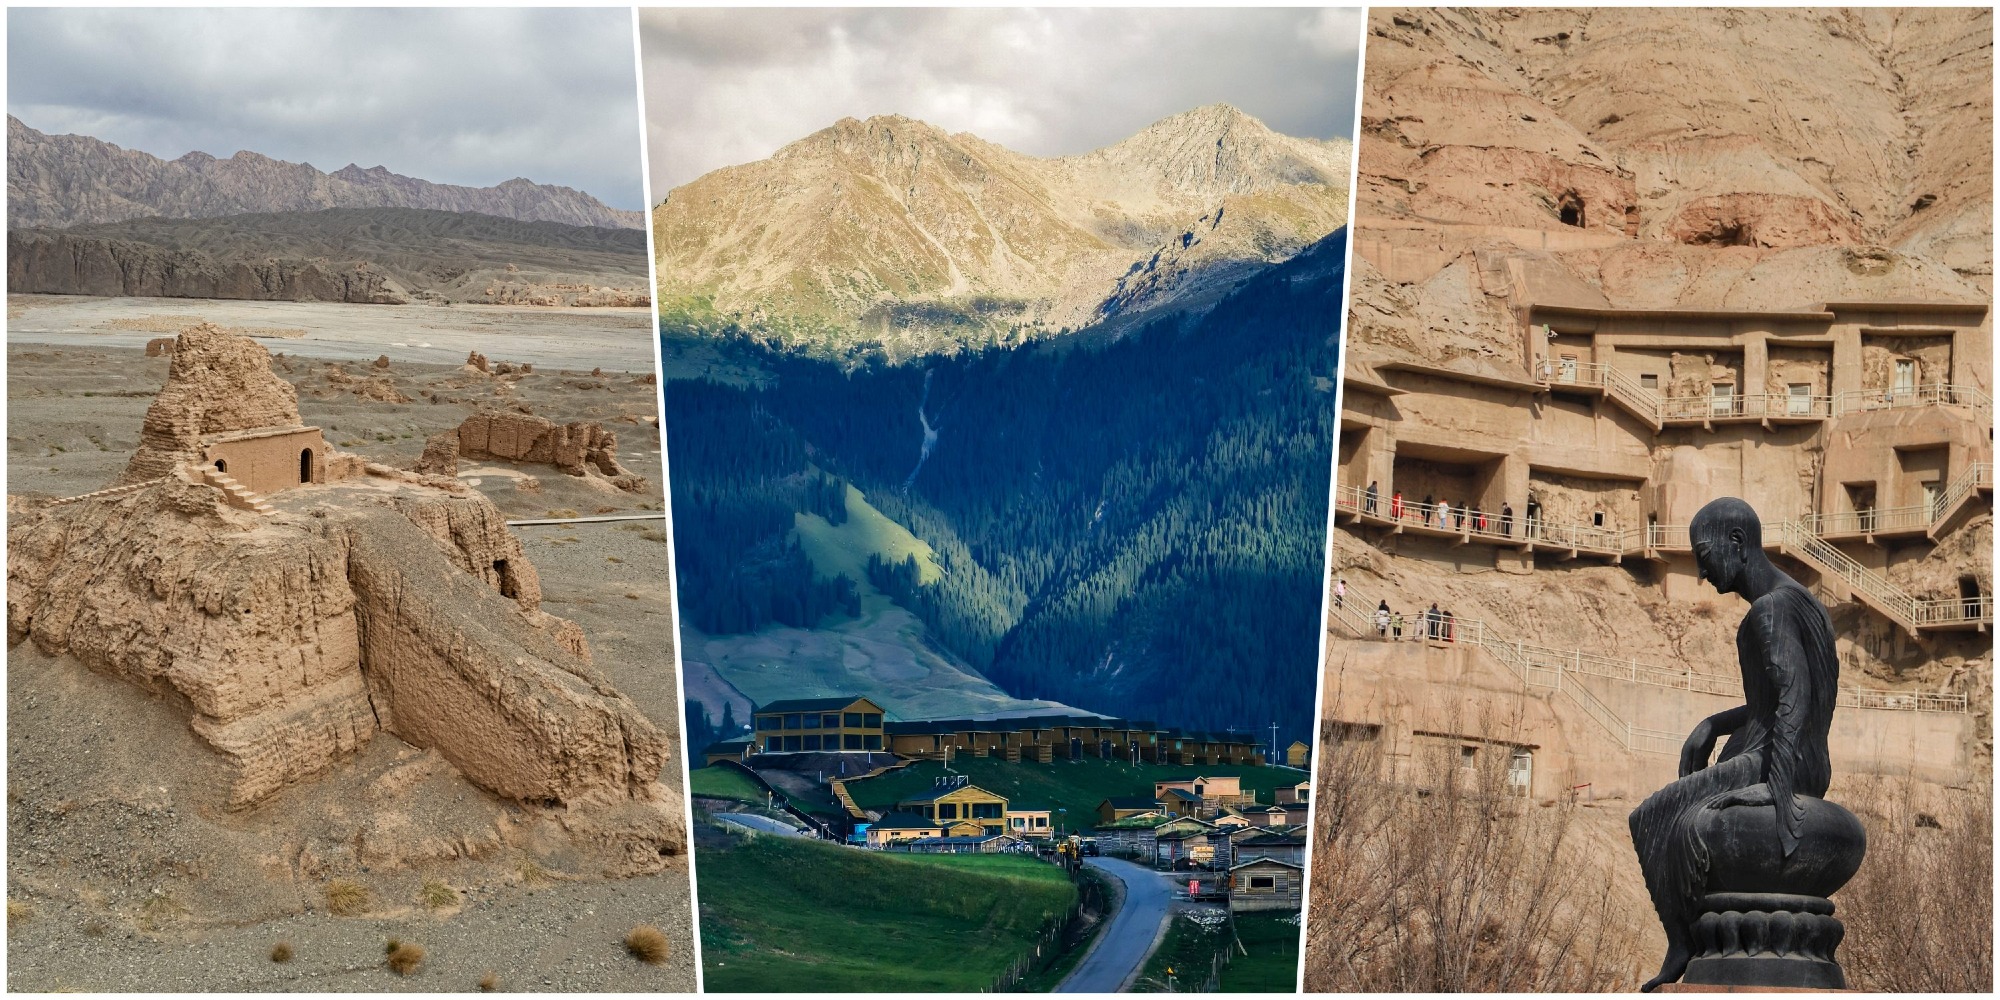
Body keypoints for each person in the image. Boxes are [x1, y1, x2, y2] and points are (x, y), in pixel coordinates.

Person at [1627, 498, 1840, 992]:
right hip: (1786, 754)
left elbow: (1795, 698)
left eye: (1705, 554)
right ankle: (1688, 939)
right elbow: (1774, 700)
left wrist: (1777, 792)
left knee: (1652, 815)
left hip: (1780, 763)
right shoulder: (1790, 598)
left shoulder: (1771, 609)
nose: (1701, 572)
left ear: (1737, 544)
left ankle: (1681, 941)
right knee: (1678, 806)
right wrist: (1714, 724)